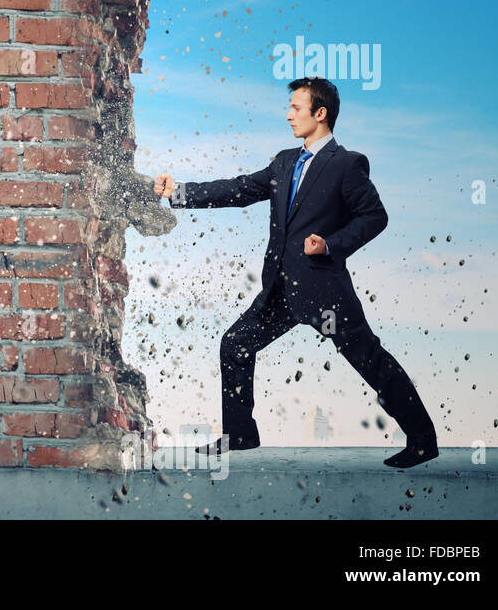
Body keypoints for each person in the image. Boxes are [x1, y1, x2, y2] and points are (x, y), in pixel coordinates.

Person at [152, 77, 439, 468]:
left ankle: (423, 439)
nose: (288, 115)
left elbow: (375, 216)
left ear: (320, 114)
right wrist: (180, 192)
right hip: (281, 290)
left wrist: (331, 244)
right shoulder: (284, 161)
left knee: (368, 358)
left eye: (296, 108)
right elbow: (239, 190)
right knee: (235, 344)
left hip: (325, 293)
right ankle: (240, 435)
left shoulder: (346, 164)